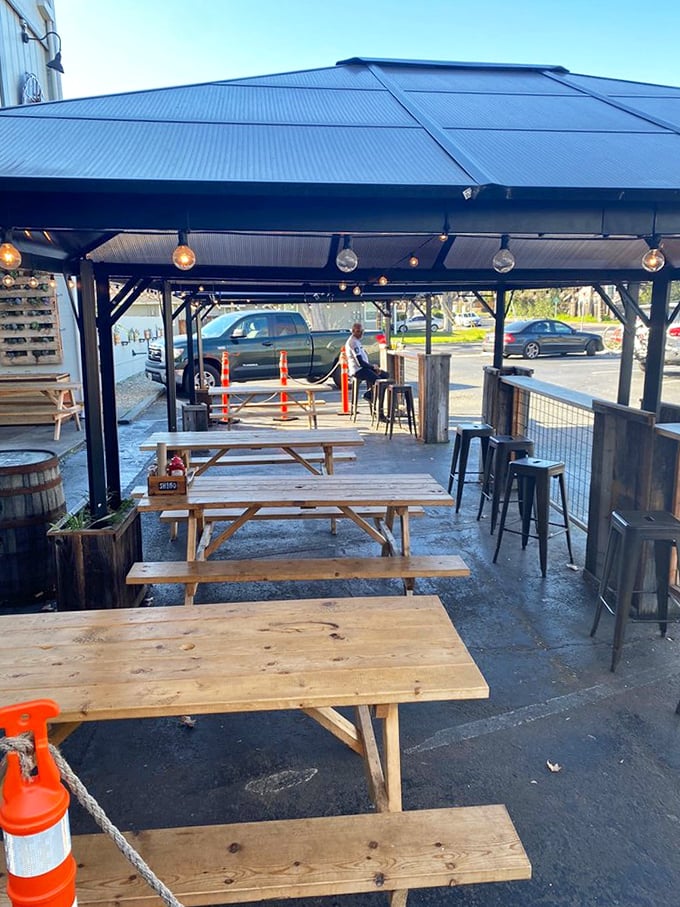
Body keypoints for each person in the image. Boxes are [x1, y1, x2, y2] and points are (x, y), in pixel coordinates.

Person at [345, 322, 389, 400]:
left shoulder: (357, 341)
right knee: (379, 381)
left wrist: (372, 368)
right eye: (358, 331)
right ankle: (373, 399)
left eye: (362, 331)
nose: (361, 333)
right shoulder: (353, 342)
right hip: (358, 370)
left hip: (364, 368)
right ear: (353, 331)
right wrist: (372, 367)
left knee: (385, 375)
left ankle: (371, 393)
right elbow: (360, 362)